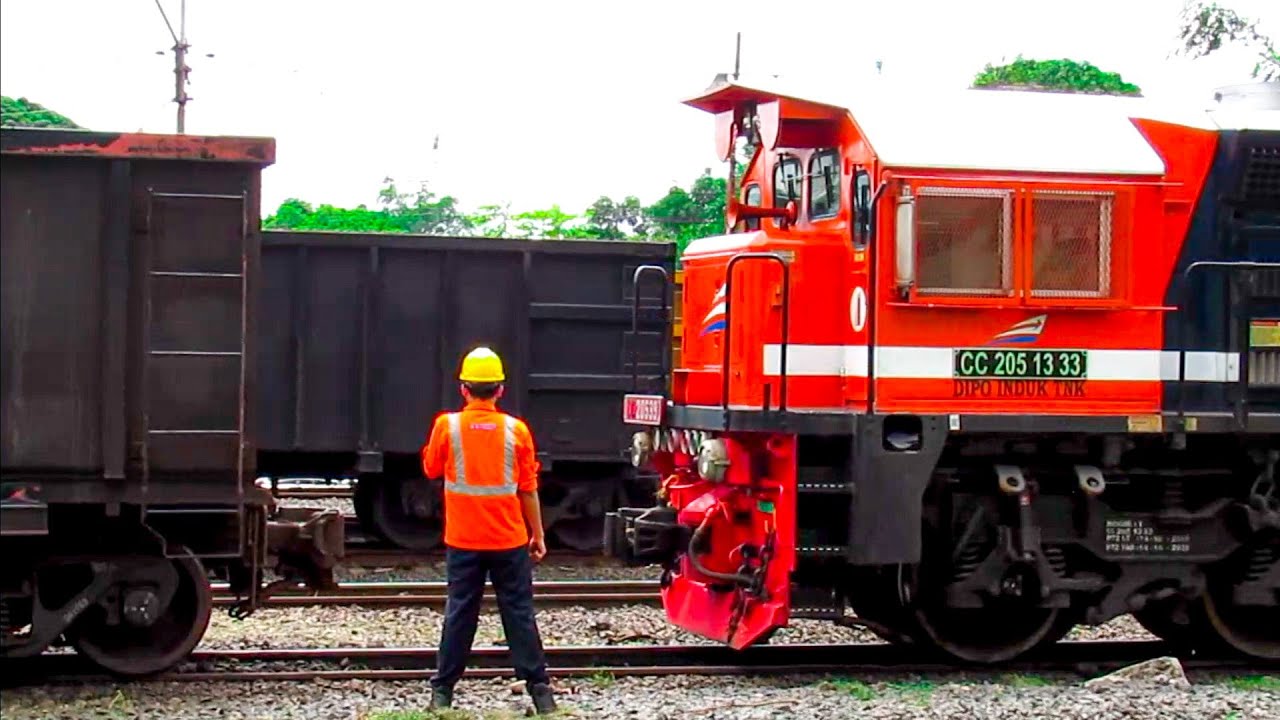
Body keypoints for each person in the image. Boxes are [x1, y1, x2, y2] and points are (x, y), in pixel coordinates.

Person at [420, 347, 556, 715]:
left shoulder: (446, 426)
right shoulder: (517, 431)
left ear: (465, 389)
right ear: (499, 390)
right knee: (519, 614)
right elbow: (528, 489)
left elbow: (431, 469)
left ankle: (443, 692)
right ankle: (541, 694)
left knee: (460, 612)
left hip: (463, 541)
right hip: (508, 541)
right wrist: (538, 535)